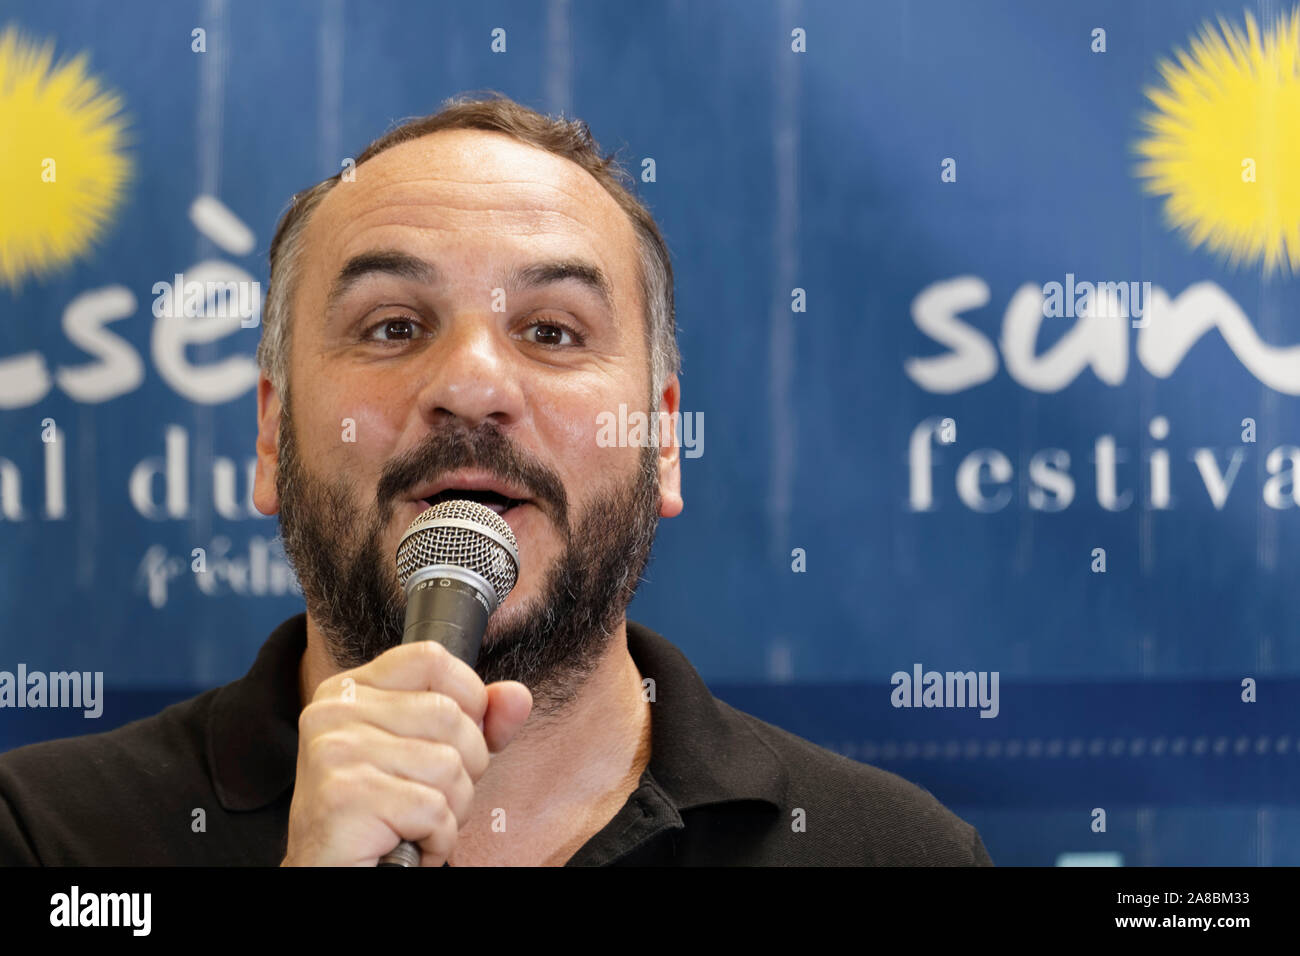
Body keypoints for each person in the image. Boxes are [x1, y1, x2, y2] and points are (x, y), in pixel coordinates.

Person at [0, 93, 992, 866]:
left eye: (552, 331)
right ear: (269, 434)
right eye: (392, 326)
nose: (472, 385)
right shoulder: (47, 835)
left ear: (663, 440)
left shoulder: (893, 849)